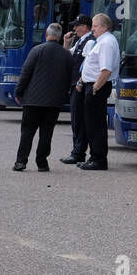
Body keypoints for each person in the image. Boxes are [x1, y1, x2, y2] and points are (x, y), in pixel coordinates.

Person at [12, 22, 73, 172]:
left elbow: (26, 72)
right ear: (59, 38)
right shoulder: (66, 55)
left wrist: (18, 92)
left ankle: (21, 161)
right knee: (47, 132)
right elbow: (69, 77)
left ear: (46, 35)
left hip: (33, 99)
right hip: (54, 102)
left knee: (27, 131)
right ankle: (42, 162)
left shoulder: (37, 50)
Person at [77, 12, 120, 170]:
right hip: (92, 85)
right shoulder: (101, 41)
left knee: (95, 124)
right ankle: (94, 156)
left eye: (95, 26)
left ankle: (99, 159)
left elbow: (106, 69)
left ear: (104, 27)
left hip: (98, 87)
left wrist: (94, 88)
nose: (92, 29)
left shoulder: (107, 43)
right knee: (90, 123)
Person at [59, 14, 94, 165]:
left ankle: (78, 152)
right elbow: (67, 56)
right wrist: (66, 43)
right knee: (75, 119)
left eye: (76, 25)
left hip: (81, 85)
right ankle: (76, 150)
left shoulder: (90, 41)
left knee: (79, 119)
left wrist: (80, 82)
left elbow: (87, 64)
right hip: (75, 84)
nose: (74, 28)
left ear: (85, 27)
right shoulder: (81, 41)